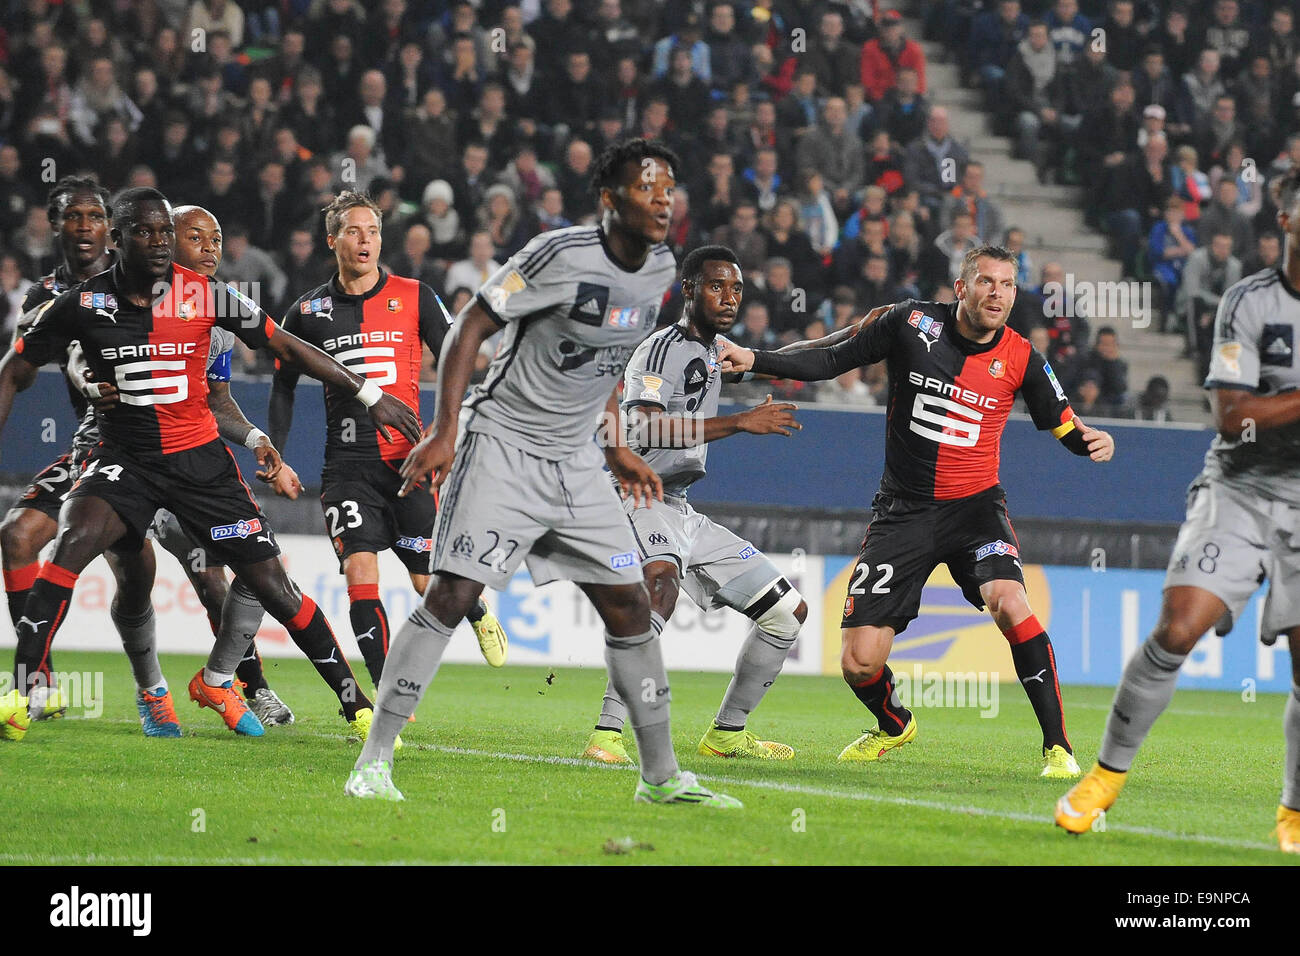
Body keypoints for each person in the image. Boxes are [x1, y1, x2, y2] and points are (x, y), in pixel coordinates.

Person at [345, 139, 740, 809]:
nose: (664, 199)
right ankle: (373, 763)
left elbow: (611, 360)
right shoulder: (559, 254)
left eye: (669, 187)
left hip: (580, 461)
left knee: (631, 606)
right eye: (648, 188)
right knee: (452, 596)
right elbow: (471, 322)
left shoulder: (661, 269)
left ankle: (661, 776)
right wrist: (445, 429)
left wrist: (615, 445)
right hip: (503, 444)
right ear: (611, 200)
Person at [0, 187, 420, 742]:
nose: (158, 243)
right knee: (70, 545)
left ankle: (352, 703)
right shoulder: (81, 304)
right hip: (122, 459)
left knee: (268, 582)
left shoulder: (209, 296)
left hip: (200, 464)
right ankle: (23, 689)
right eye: (145, 232)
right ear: (118, 239)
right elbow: (14, 370)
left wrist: (367, 393)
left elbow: (286, 346)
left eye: (164, 233)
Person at [719, 245, 1116, 777]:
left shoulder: (1022, 357)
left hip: (976, 510)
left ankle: (1059, 749)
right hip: (903, 512)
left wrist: (1090, 441)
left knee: (1009, 602)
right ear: (961, 287)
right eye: (985, 282)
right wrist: (758, 361)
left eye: (1006, 285)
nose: (996, 293)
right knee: (859, 664)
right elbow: (834, 358)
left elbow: (1065, 424)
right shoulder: (910, 323)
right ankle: (893, 723)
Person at [1056, 167, 1300, 853]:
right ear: (1283, 222)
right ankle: (1104, 776)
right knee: (1177, 627)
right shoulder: (1247, 303)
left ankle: (1294, 816)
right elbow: (1231, 416)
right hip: (1241, 491)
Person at [270, 191, 509, 693]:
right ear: (332, 239)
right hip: (346, 467)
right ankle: (384, 697)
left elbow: (455, 358)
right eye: (354, 231)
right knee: (361, 574)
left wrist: (452, 428)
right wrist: (276, 451)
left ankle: (477, 608)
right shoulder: (306, 312)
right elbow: (283, 387)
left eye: (373, 231)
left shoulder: (415, 294)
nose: (365, 241)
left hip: (409, 462)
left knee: (426, 582)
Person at [580, 245, 805, 765]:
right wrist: (740, 422)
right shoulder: (662, 350)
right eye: (715, 286)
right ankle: (606, 736)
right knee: (659, 589)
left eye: (736, 289)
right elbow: (642, 424)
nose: (728, 297)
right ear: (687, 290)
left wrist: (863, 337)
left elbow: (783, 361)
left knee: (787, 613)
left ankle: (727, 734)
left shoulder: (716, 350)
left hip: (678, 504)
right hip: (637, 494)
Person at [0, 177, 173, 734]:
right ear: (54, 226)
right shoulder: (45, 299)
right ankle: (37, 684)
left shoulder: (146, 278)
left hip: (169, 447)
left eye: (94, 216)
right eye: (71, 216)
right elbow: (20, 371)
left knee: (199, 571)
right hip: (95, 449)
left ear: (112, 228)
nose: (83, 226)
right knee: (17, 535)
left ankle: (240, 683)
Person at [141, 204, 299, 727]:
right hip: (140, 466)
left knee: (247, 575)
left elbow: (219, 402)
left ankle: (235, 684)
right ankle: (157, 692)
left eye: (217, 239)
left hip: (197, 471)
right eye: (196, 238)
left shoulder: (220, 320)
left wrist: (256, 439)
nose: (210, 249)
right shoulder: (136, 300)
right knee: (194, 580)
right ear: (168, 243)